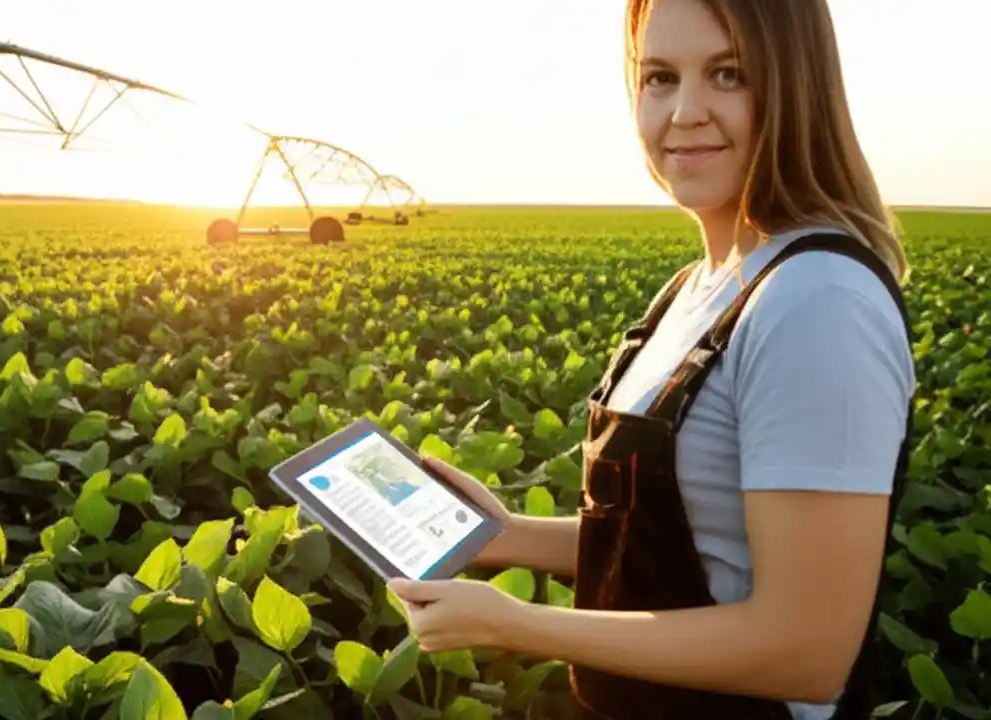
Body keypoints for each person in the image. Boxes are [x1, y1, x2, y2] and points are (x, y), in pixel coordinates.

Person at [385, 1, 916, 719]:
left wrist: (514, 624)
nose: (684, 111)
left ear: (796, 86)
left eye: (728, 75)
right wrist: (506, 537)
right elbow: (689, 549)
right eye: (659, 77)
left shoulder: (818, 299)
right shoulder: (700, 288)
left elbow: (806, 650)